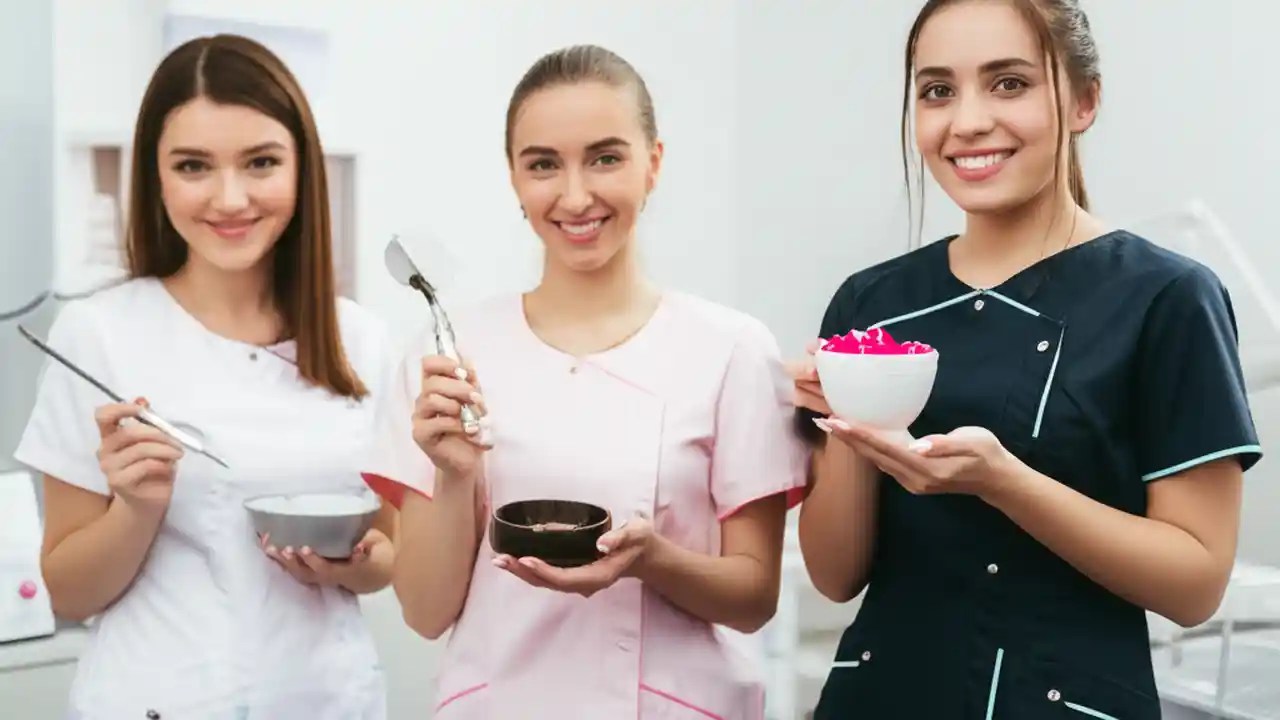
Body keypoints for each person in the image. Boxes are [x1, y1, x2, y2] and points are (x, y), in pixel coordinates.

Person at [792, 1, 1261, 718]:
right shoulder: (870, 303)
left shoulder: (1167, 298)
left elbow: (1194, 583)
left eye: (1009, 83)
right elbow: (833, 574)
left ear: (1084, 101)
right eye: (937, 90)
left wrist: (1004, 482)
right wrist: (855, 418)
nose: (968, 120)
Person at [361, 44, 808, 719]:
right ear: (514, 179)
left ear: (653, 163)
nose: (575, 196)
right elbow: (424, 614)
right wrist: (453, 476)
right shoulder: (446, 359)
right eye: (544, 164)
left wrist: (651, 559)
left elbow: (753, 599)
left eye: (605, 157)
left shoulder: (733, 351)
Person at [16, 34, 395, 719]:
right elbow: (68, 592)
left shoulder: (362, 340)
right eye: (193, 166)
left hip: (327, 700)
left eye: (260, 163)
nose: (230, 198)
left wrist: (351, 565)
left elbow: (389, 559)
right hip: (155, 700)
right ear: (155, 177)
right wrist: (137, 507)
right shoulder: (98, 334)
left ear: (301, 168)